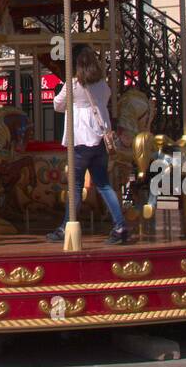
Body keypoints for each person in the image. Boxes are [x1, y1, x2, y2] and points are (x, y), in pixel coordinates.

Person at [46, 46, 128, 245]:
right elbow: (106, 98)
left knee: (75, 185)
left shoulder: (73, 85)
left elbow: (57, 104)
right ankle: (120, 226)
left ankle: (67, 227)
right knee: (104, 184)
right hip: (100, 140)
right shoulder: (102, 84)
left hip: (81, 140)